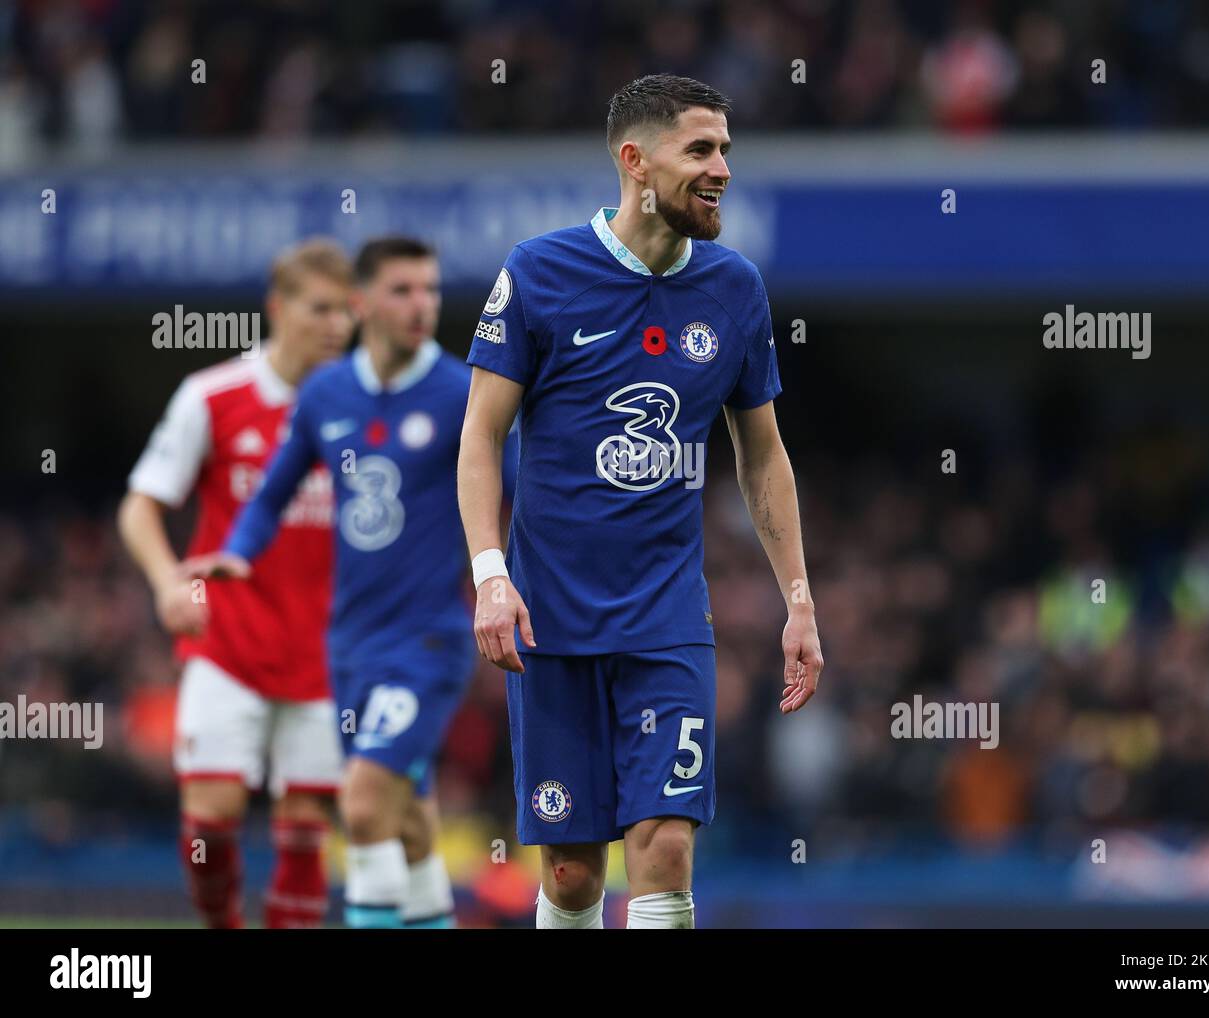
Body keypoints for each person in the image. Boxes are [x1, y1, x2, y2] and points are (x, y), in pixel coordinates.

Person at [457, 74, 824, 929]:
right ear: (635, 161)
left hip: (666, 618)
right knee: (576, 876)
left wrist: (799, 598)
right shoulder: (541, 273)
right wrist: (488, 573)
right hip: (550, 619)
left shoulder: (734, 290)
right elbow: (479, 438)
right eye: (700, 149)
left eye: (727, 148)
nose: (722, 168)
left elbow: (762, 454)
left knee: (663, 846)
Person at [187, 236, 517, 928]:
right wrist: (240, 550)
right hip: (348, 646)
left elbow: (522, 496)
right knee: (410, 818)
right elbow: (273, 493)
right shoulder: (326, 394)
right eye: (402, 290)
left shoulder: (463, 392)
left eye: (429, 289)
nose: (421, 304)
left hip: (427, 642)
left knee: (363, 803)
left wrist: (509, 579)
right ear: (363, 303)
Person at [118, 238, 354, 928]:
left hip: (326, 657)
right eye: (320, 309)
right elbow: (141, 503)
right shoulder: (213, 397)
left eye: (346, 311)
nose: (337, 325)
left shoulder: (365, 408)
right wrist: (168, 583)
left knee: (306, 831)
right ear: (277, 309)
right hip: (229, 645)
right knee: (209, 824)